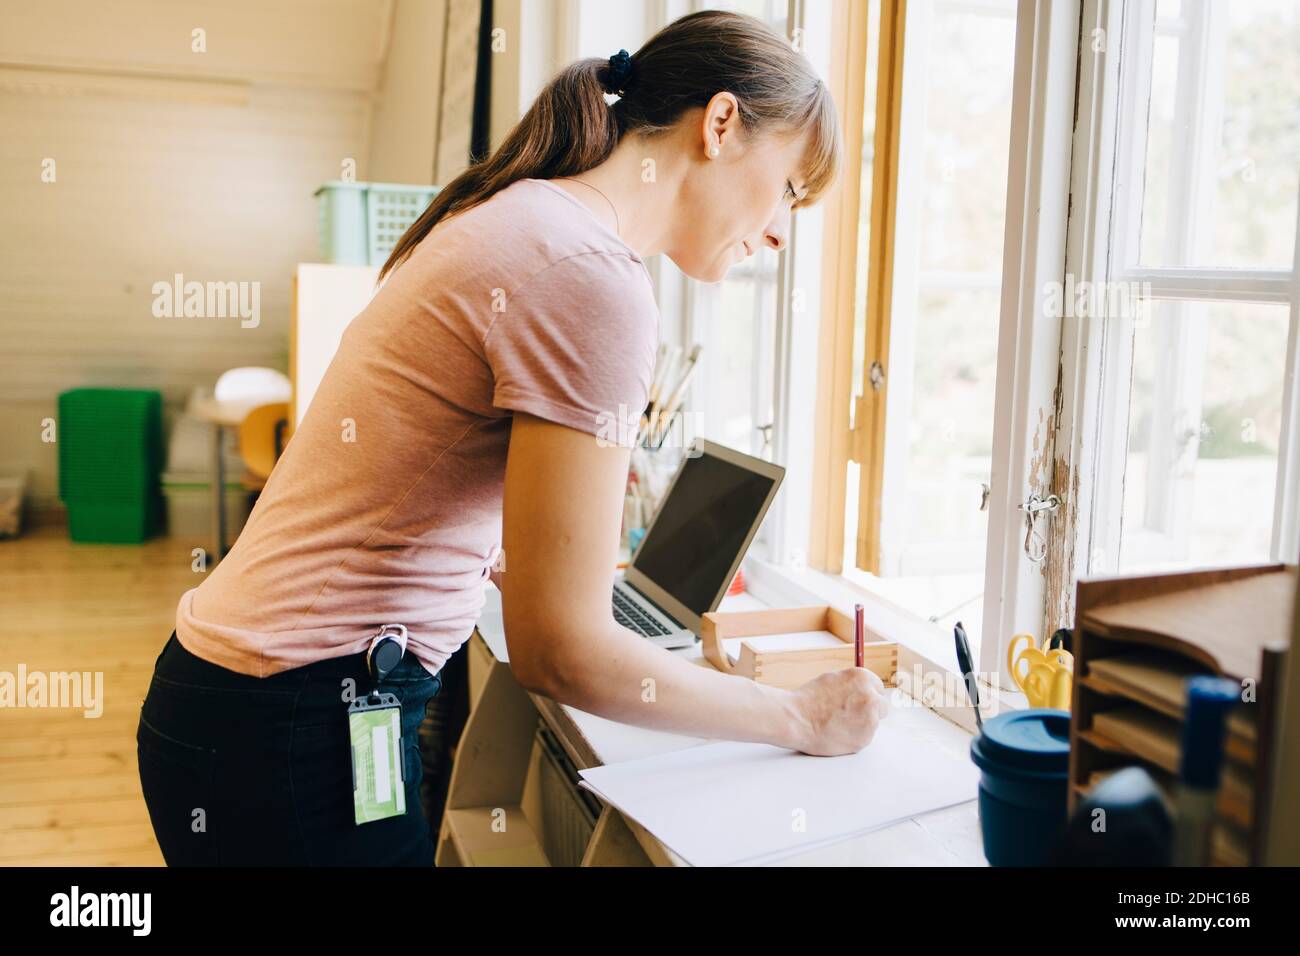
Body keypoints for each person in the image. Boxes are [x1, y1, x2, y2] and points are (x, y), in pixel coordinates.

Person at [137, 9, 888, 867]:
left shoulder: (533, 217)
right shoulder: (592, 276)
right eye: (790, 189)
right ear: (720, 125)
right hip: (293, 720)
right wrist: (800, 717)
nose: (782, 232)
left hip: (249, 702)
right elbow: (561, 653)